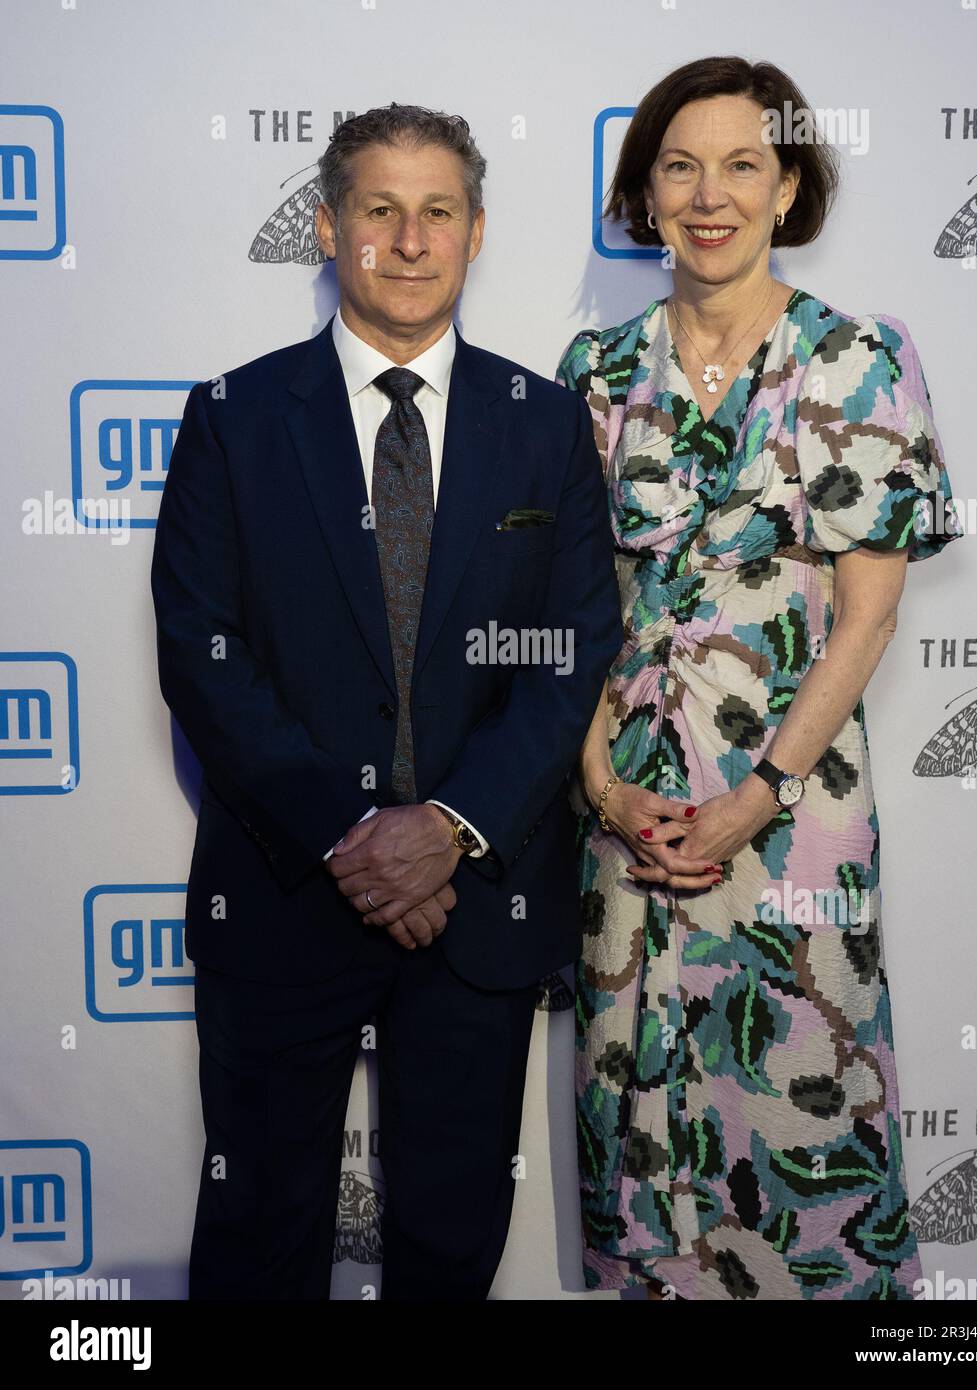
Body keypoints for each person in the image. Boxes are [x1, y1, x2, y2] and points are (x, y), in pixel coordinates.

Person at [151, 103, 622, 1301]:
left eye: (437, 212)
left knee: (452, 1238)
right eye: (378, 210)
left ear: (474, 234)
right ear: (328, 227)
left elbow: (569, 653)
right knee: (258, 1232)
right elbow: (204, 656)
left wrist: (445, 828)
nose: (408, 240)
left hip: (479, 900)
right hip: (284, 890)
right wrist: (355, 839)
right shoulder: (234, 418)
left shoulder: (546, 424)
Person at [555, 56, 963, 1300]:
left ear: (787, 188)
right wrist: (599, 788)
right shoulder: (593, 372)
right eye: (678, 166)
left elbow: (866, 616)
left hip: (787, 825)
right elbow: (560, 616)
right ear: (642, 196)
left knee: (803, 1121)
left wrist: (760, 794)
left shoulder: (857, 360)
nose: (708, 194)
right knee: (636, 1128)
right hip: (627, 823)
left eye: (742, 164)